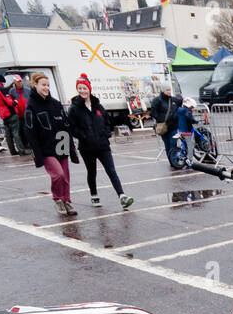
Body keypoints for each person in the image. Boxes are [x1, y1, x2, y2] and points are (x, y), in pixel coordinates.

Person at [69, 74, 134, 209]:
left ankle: (122, 196)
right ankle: (94, 195)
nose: (82, 91)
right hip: (87, 147)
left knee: (111, 170)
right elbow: (72, 127)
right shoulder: (74, 108)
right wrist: (84, 136)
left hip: (103, 145)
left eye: (84, 88)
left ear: (89, 89)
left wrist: (105, 134)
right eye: (79, 88)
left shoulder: (98, 106)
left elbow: (106, 122)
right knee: (92, 172)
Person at [24, 71, 79, 217]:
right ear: (35, 85)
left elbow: (66, 126)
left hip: (62, 145)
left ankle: (66, 200)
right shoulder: (31, 105)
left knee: (66, 177)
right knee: (58, 175)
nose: (46, 88)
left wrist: (72, 149)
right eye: (43, 85)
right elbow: (30, 132)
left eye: (48, 85)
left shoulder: (55, 103)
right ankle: (57, 199)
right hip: (46, 149)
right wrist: (37, 154)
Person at [0, 76, 25, 155]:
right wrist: (15, 101)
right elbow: (10, 102)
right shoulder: (2, 90)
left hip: (2, 113)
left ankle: (12, 151)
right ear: (2, 82)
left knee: (8, 134)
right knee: (16, 132)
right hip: (10, 112)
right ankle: (21, 150)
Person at [150, 83, 180, 168]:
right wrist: (161, 119)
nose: (169, 91)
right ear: (163, 91)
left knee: (173, 143)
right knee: (167, 145)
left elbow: (179, 106)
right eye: (167, 90)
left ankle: (175, 161)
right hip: (163, 127)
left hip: (173, 126)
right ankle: (172, 161)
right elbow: (153, 112)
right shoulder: (157, 100)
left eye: (170, 90)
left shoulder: (174, 100)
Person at [8, 75, 31, 151]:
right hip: (18, 114)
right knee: (20, 130)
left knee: (27, 129)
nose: (20, 83)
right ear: (15, 82)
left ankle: (29, 144)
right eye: (18, 82)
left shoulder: (28, 90)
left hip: (26, 114)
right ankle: (24, 144)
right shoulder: (12, 91)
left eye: (20, 81)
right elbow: (10, 102)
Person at [175, 96, 197, 168]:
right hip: (186, 130)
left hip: (180, 130)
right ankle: (189, 160)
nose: (193, 109)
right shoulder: (187, 111)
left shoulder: (179, 110)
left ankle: (184, 154)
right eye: (192, 107)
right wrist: (195, 121)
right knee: (191, 144)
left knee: (185, 143)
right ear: (189, 106)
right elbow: (190, 119)